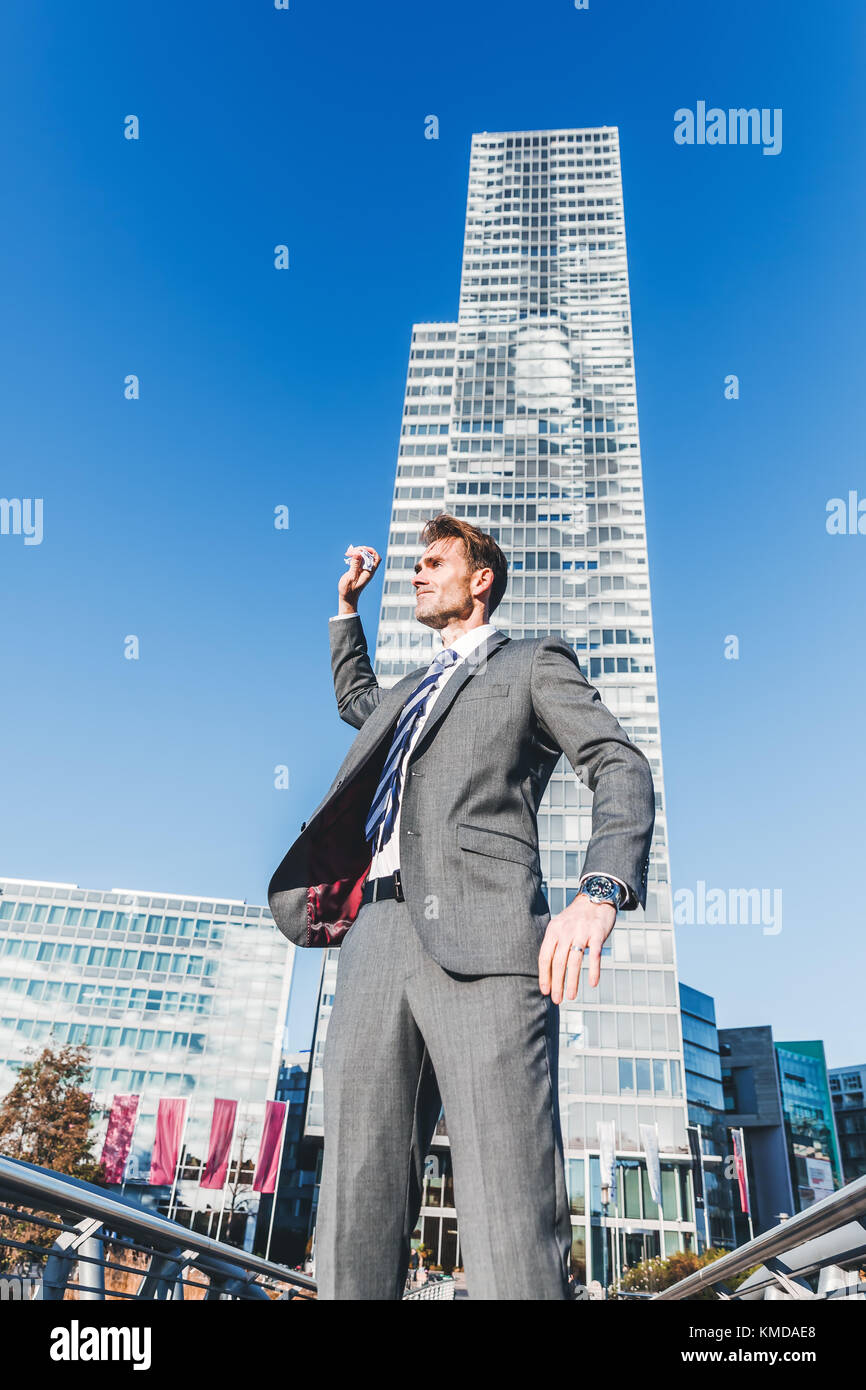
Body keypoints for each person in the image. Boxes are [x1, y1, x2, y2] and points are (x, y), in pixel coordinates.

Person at [268, 514, 655, 1300]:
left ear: (481, 580)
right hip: (374, 937)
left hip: (489, 942)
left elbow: (617, 762)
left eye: (434, 562)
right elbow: (355, 700)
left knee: (510, 1207)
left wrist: (599, 890)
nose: (416, 573)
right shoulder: (405, 696)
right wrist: (347, 608)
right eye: (415, 563)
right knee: (354, 1201)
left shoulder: (530, 663)